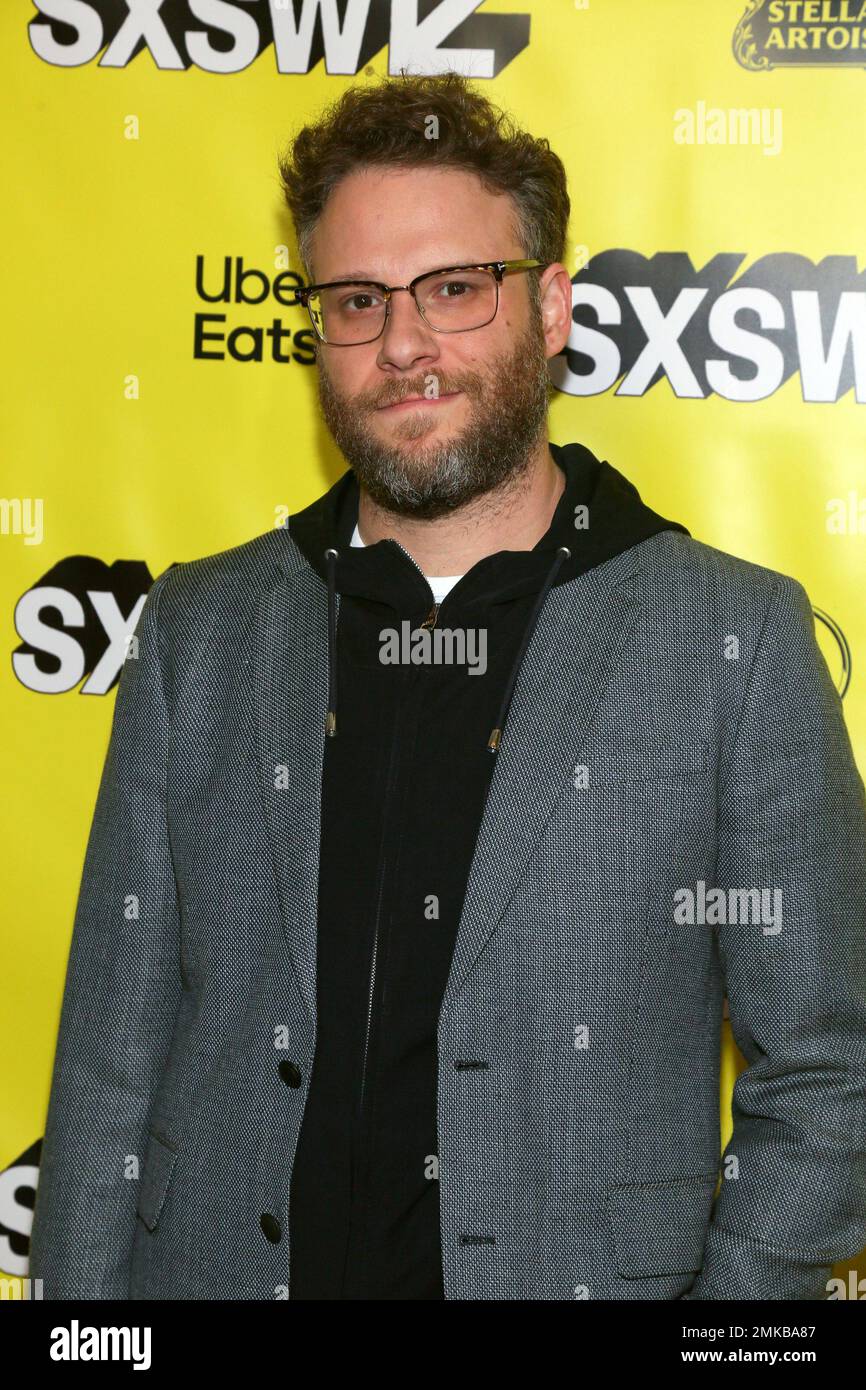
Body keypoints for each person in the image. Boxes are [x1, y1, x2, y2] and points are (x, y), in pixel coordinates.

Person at [30, 71, 866, 1301]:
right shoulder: (199, 631)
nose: (404, 343)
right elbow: (108, 1058)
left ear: (551, 305)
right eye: (358, 300)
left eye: (454, 289)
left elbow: (830, 1064)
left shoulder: (728, 637)